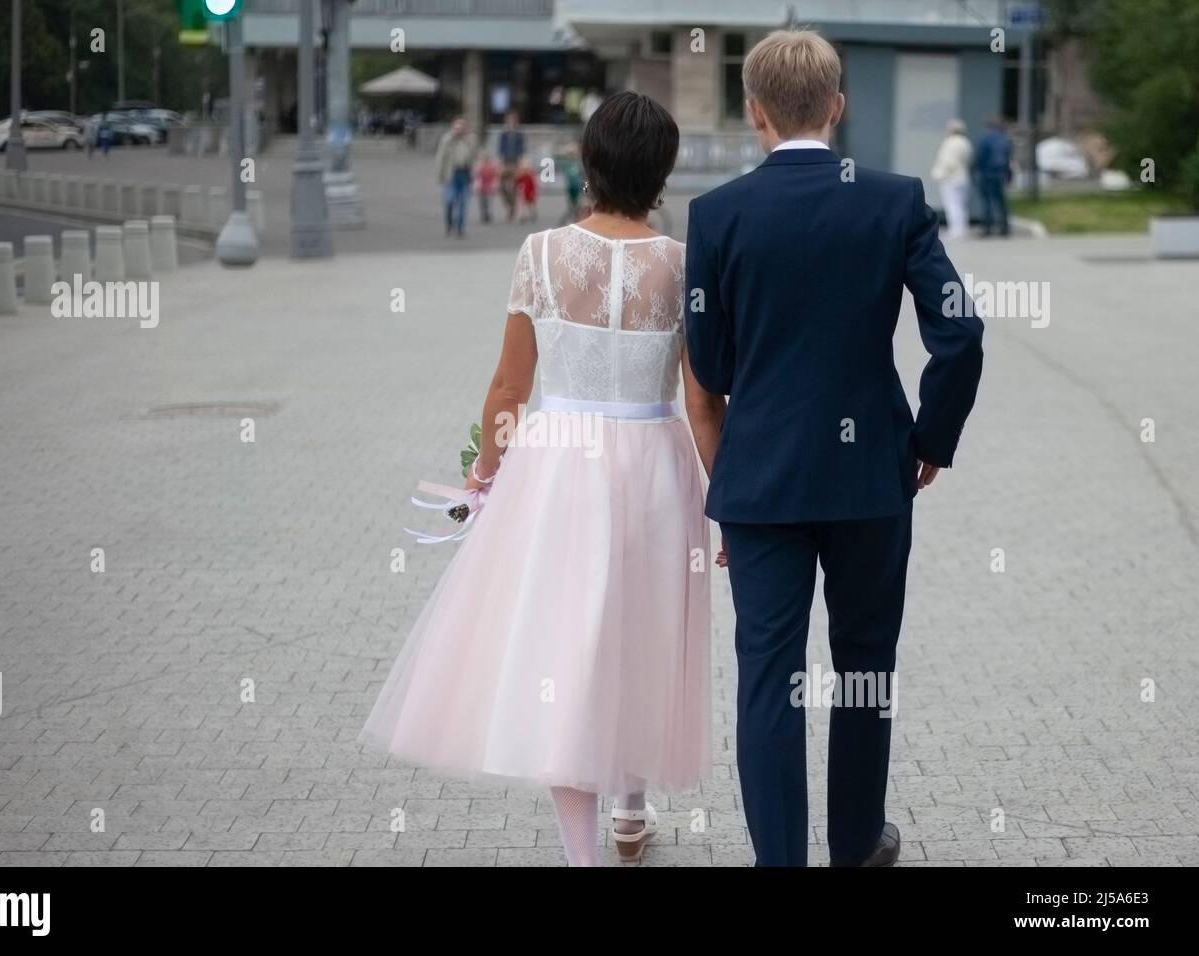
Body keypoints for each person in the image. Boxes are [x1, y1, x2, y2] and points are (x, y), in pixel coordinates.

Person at [362, 92, 725, 867]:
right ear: (661, 173)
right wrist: (727, 498)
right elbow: (700, 400)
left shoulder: (540, 254)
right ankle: (631, 808)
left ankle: (583, 854)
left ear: (589, 164)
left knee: (570, 649)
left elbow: (507, 388)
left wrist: (486, 472)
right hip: (657, 462)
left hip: (559, 465)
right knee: (642, 630)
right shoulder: (681, 264)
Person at [685, 29, 984, 867]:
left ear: (754, 115)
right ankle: (855, 844)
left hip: (761, 483)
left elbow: (707, 366)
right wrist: (932, 441)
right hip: (871, 478)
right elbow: (960, 332)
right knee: (862, 667)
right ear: (839, 107)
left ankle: (779, 860)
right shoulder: (893, 199)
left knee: (769, 676)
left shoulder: (716, 215)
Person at [434, 117, 478, 238]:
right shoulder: (447, 140)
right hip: (450, 174)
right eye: (457, 127)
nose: (459, 130)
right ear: (452, 128)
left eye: (462, 127)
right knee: (449, 200)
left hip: (464, 174)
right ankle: (449, 222)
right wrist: (439, 176)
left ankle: (460, 228)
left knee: (463, 202)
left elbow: (475, 156)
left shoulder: (470, 140)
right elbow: (440, 158)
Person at [932, 119, 974, 239]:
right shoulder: (965, 142)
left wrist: (940, 174)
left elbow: (947, 162)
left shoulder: (950, 143)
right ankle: (962, 228)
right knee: (961, 205)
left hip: (950, 179)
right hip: (963, 177)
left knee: (952, 205)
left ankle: (956, 230)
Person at [974, 118, 1013, 237]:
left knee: (987, 201)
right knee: (1001, 201)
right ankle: (1004, 227)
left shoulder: (984, 139)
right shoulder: (1005, 139)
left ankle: (987, 228)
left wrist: (975, 170)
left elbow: (979, 156)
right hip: (1001, 174)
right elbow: (1008, 158)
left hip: (987, 173)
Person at [497, 111, 526, 222]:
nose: (511, 122)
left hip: (515, 162)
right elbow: (500, 149)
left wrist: (521, 162)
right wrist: (500, 162)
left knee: (514, 186)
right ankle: (510, 205)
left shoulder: (519, 134)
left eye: (513, 120)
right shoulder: (503, 134)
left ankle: (513, 209)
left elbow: (522, 149)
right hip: (505, 162)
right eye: (509, 120)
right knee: (502, 186)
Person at [474, 151, 499, 224]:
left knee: (488, 201)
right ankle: (483, 214)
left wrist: (495, 186)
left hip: (489, 186)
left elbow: (495, 177)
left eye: (487, 159)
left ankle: (487, 214)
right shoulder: (480, 166)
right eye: (485, 159)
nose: (486, 160)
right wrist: (476, 186)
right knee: (482, 201)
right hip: (481, 186)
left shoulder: (492, 167)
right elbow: (477, 177)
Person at [514, 157, 538, 222]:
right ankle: (523, 216)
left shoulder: (530, 176)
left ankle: (532, 214)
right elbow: (516, 182)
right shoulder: (520, 176)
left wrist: (533, 192)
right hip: (523, 193)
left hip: (529, 192)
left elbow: (533, 185)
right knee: (522, 205)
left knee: (530, 205)